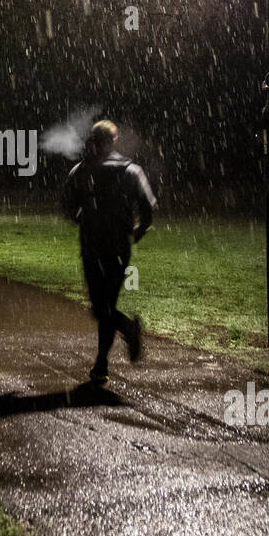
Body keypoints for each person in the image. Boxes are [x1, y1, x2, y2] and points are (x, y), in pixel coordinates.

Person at [61, 120, 157, 384]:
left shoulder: (81, 171)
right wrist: (133, 234)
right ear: (114, 141)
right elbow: (147, 210)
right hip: (117, 248)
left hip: (93, 247)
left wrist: (86, 219)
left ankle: (102, 362)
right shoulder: (130, 170)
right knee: (104, 307)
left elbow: (68, 207)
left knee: (101, 307)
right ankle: (126, 330)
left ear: (93, 140)